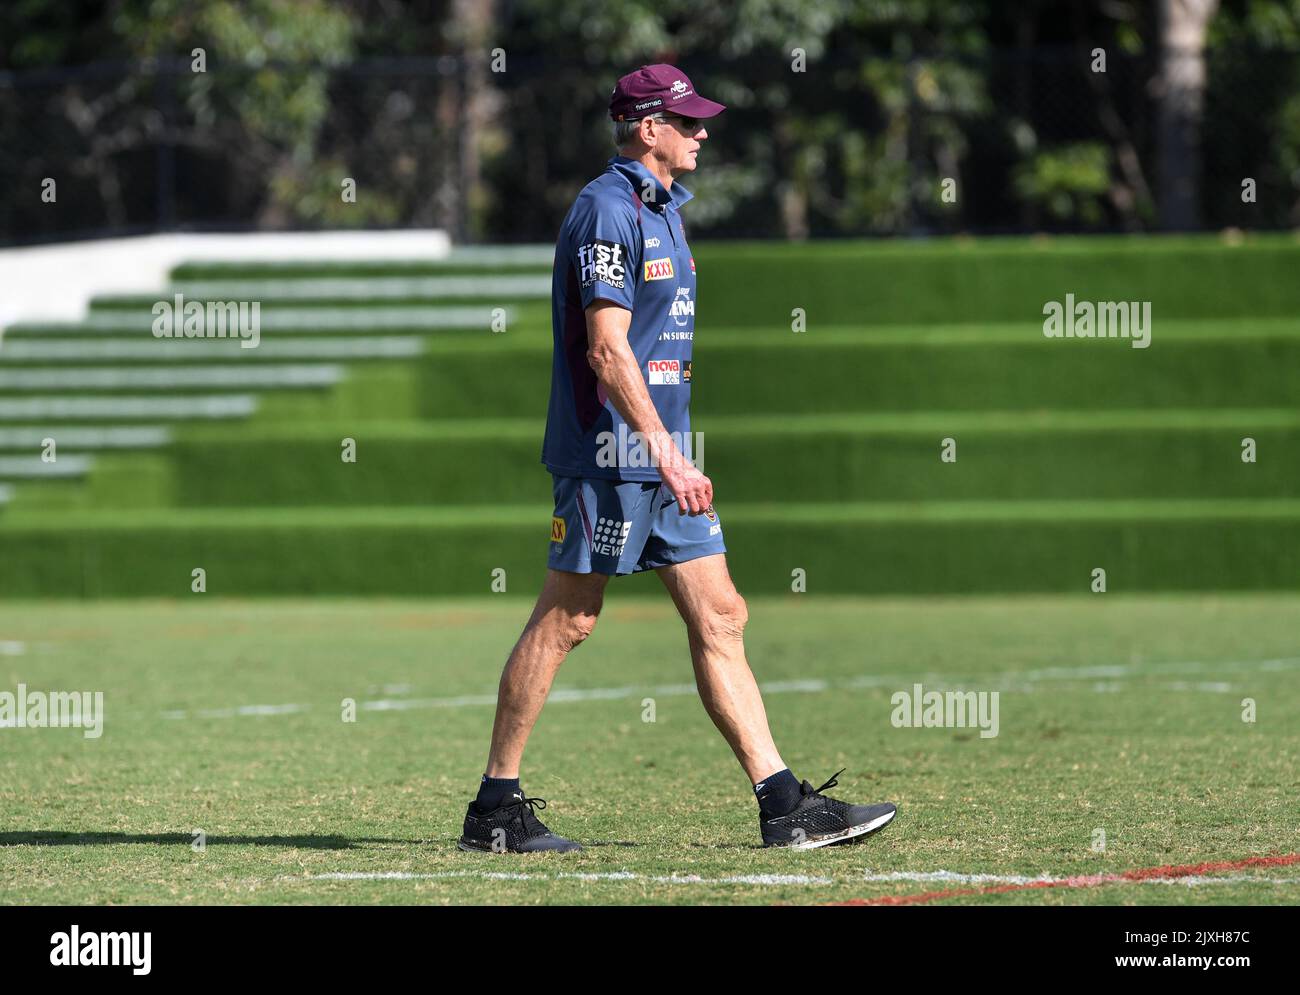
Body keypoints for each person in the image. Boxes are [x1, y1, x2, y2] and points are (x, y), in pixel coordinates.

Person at [459, 64, 897, 853]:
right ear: (645, 127)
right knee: (569, 619)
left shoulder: (664, 212)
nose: (702, 133)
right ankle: (494, 807)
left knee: (722, 613)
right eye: (687, 121)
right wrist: (666, 454)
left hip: (664, 461)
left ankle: (783, 803)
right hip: (612, 458)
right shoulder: (606, 209)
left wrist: (670, 453)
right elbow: (607, 350)